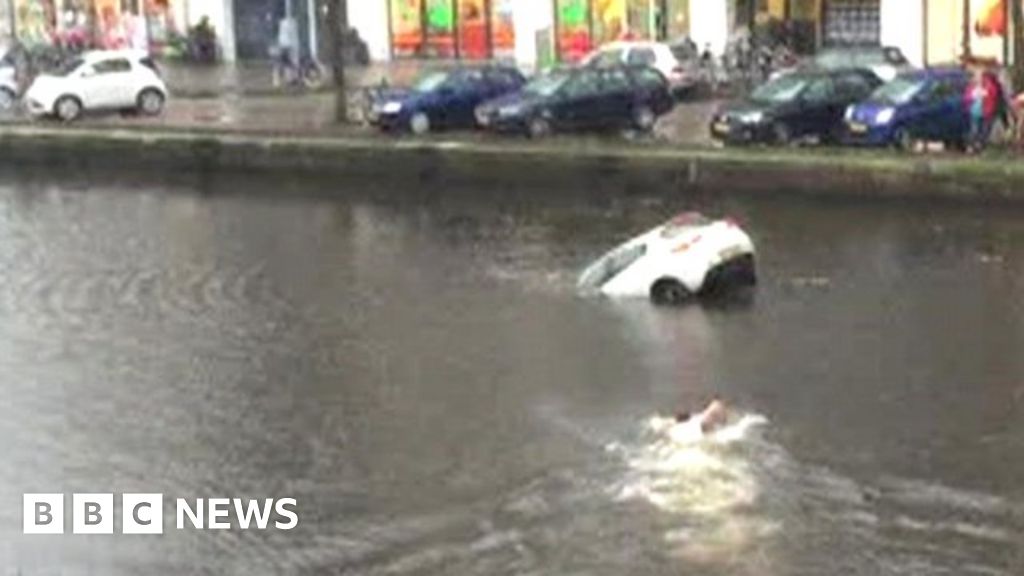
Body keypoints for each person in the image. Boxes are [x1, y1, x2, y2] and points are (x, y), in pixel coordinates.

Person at [963, 68, 1000, 153]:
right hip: (974, 111)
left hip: (986, 111)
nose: (977, 78)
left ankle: (980, 146)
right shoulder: (971, 87)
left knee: (984, 130)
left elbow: (994, 95)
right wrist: (972, 96)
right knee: (974, 130)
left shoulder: (988, 85)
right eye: (976, 76)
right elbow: (966, 98)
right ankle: (971, 146)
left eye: (979, 76)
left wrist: (985, 93)